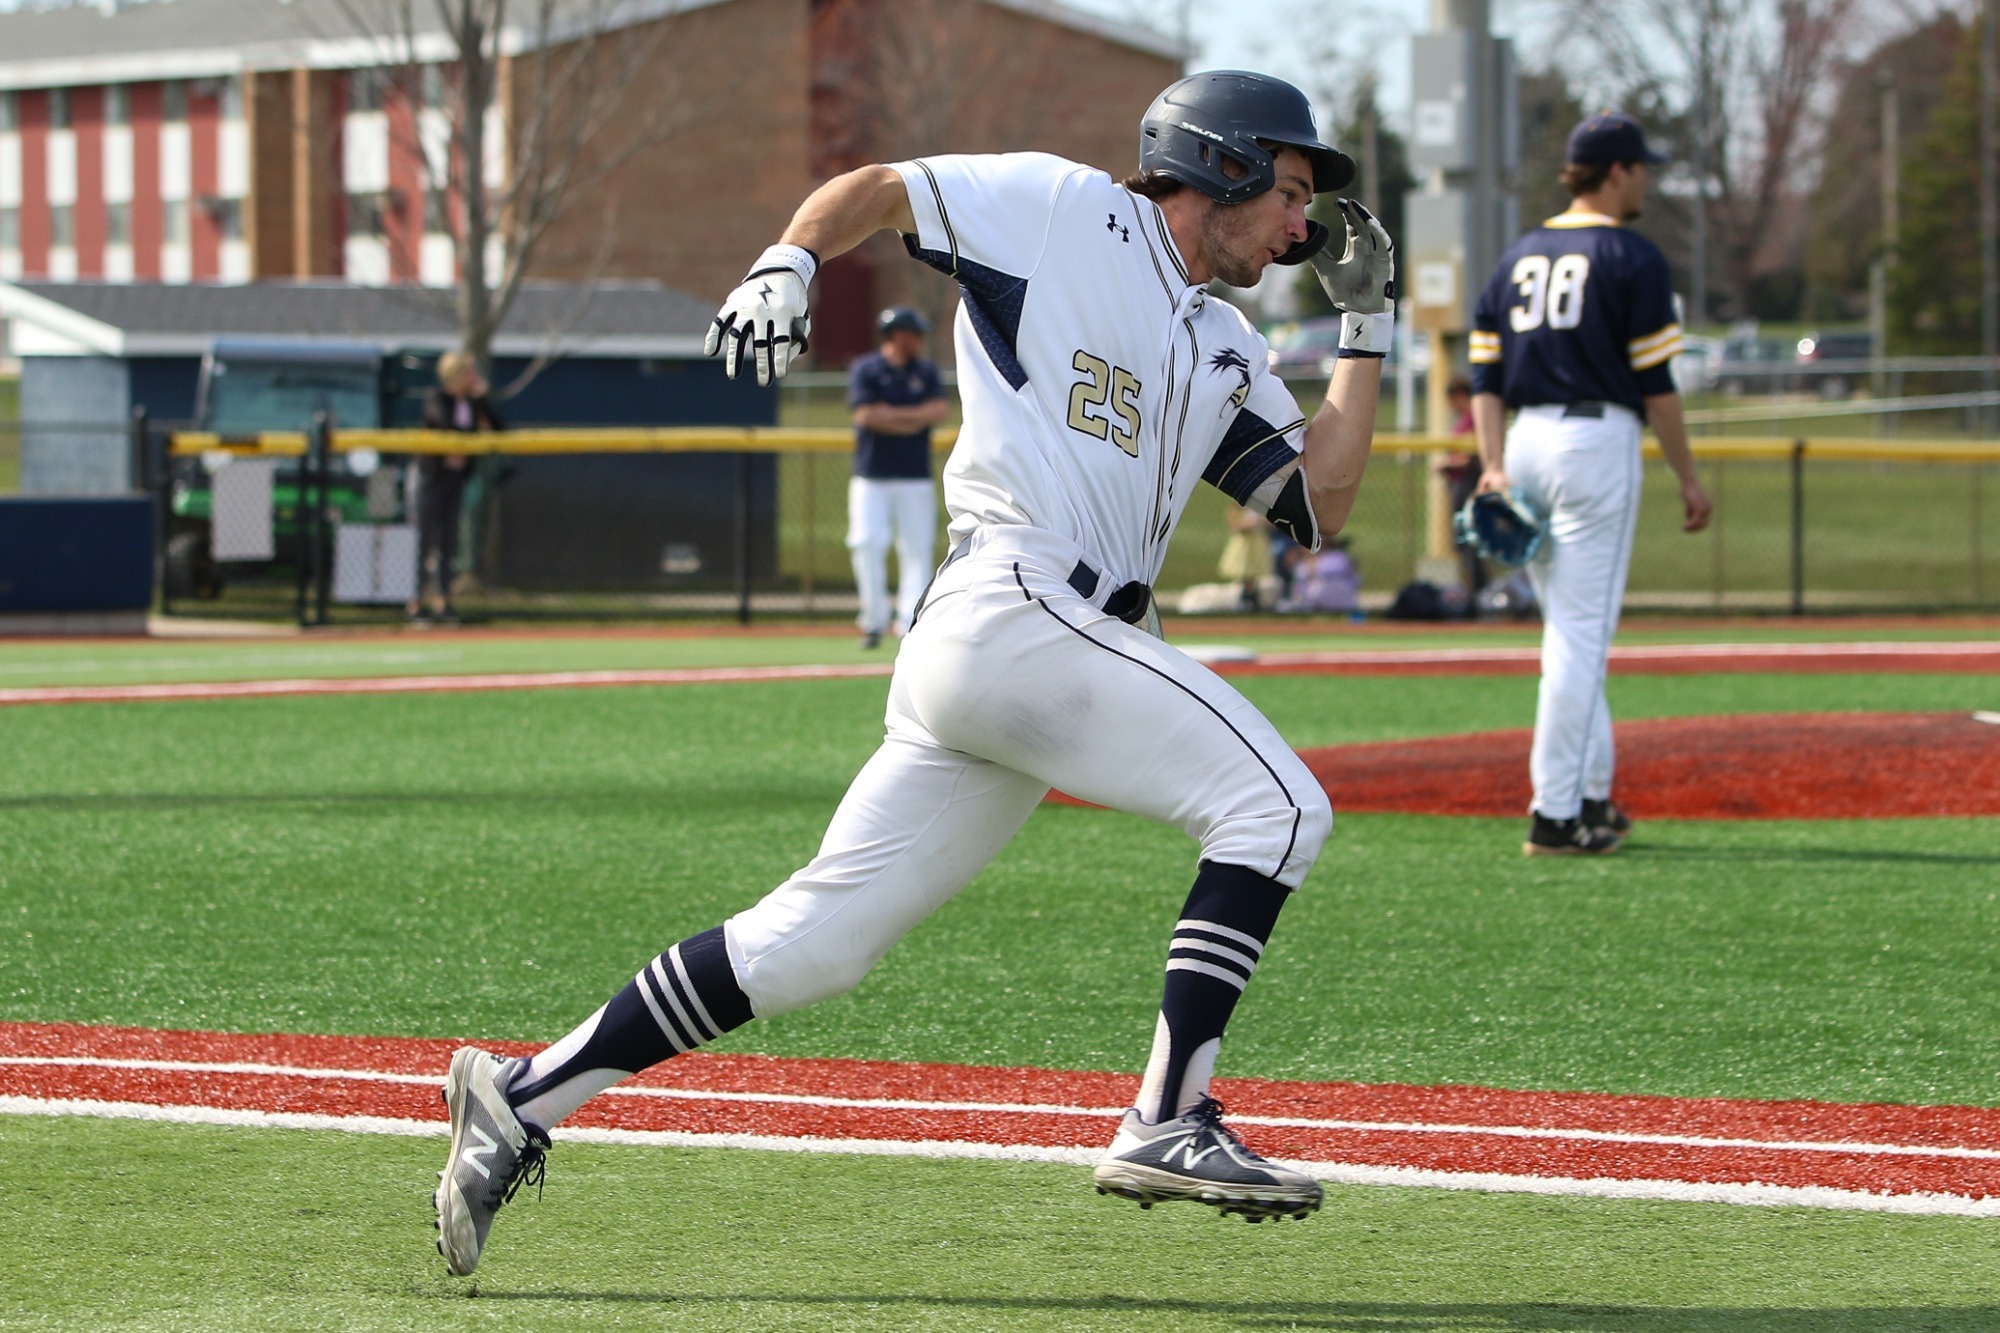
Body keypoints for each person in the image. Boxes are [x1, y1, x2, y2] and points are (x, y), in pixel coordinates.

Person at [432, 69, 1394, 1275]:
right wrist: (790, 258)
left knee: (810, 947)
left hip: (1015, 654)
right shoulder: (1062, 210)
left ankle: (520, 1098)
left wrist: (1366, 331)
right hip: (1014, 605)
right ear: (1222, 166)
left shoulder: (1222, 336)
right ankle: (1166, 1116)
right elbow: (878, 190)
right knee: (1276, 804)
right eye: (1291, 190)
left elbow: (1316, 503)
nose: (1304, 228)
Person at [1468, 111, 1713, 857]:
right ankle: (1556, 813)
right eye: (1642, 168)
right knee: (1580, 636)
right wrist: (1688, 475)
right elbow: (1658, 384)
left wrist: (1493, 462)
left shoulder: (1518, 256)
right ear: (1617, 172)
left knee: (1570, 631)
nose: (1646, 180)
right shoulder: (1629, 255)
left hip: (1528, 440)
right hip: (1594, 443)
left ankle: (1594, 796)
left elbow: (1483, 373)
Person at [848, 306, 950, 647]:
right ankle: (872, 621)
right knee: (867, 543)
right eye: (913, 333)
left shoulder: (926, 371)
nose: (918, 341)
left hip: (914, 477)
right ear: (895, 335)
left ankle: (909, 622)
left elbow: (939, 411)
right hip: (871, 477)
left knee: (917, 549)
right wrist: (914, 419)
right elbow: (865, 416)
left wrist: (891, 416)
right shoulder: (867, 369)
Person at [409, 351, 502, 622]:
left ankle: (444, 604)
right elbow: (443, 423)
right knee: (423, 541)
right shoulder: (437, 399)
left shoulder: (472, 404)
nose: (475, 376)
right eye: (470, 371)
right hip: (430, 479)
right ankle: (415, 604)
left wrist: (480, 399)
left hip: (454, 479)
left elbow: (498, 426)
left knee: (447, 543)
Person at [1433, 376, 1486, 607]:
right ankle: (1473, 591)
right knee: (1464, 544)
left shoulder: (1476, 416)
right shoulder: (1466, 418)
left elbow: (1470, 458)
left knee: (1471, 542)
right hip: (1460, 485)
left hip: (1470, 486)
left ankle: (1478, 593)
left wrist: (1447, 464)